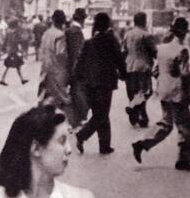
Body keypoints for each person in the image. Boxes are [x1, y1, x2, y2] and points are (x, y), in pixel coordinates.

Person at [131, 17, 190, 171]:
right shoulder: (182, 50)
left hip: (163, 91)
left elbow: (155, 71)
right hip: (177, 92)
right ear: (183, 33)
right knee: (186, 127)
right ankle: (184, 160)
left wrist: (165, 79)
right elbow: (185, 72)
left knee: (166, 124)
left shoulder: (161, 48)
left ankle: (142, 143)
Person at [73, 12, 127, 154]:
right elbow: (119, 60)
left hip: (88, 84)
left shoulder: (89, 42)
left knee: (100, 112)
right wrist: (124, 75)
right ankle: (82, 135)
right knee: (102, 114)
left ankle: (105, 145)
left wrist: (78, 80)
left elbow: (79, 64)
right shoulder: (111, 40)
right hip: (104, 83)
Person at [123, 12, 155, 127]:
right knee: (146, 91)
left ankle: (138, 114)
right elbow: (154, 51)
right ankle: (134, 108)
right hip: (143, 66)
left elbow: (124, 51)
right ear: (144, 21)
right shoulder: (147, 35)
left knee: (134, 91)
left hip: (129, 66)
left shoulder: (127, 34)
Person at [38, 10, 72, 115]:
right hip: (57, 71)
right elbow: (61, 54)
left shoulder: (46, 33)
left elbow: (41, 52)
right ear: (62, 22)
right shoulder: (60, 35)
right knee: (61, 99)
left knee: (44, 97)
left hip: (45, 70)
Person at [64, 8, 88, 129]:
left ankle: (75, 119)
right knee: (78, 92)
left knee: (75, 93)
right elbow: (77, 53)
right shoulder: (76, 32)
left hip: (69, 67)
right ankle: (80, 119)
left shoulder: (69, 31)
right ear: (82, 20)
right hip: (76, 68)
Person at [0, 17, 28, 86]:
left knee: (16, 65)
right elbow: (17, 41)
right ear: (15, 24)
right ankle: (2, 79)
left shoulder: (8, 31)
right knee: (10, 65)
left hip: (10, 50)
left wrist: (3, 49)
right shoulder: (15, 32)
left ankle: (22, 79)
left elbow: (5, 41)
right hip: (14, 50)